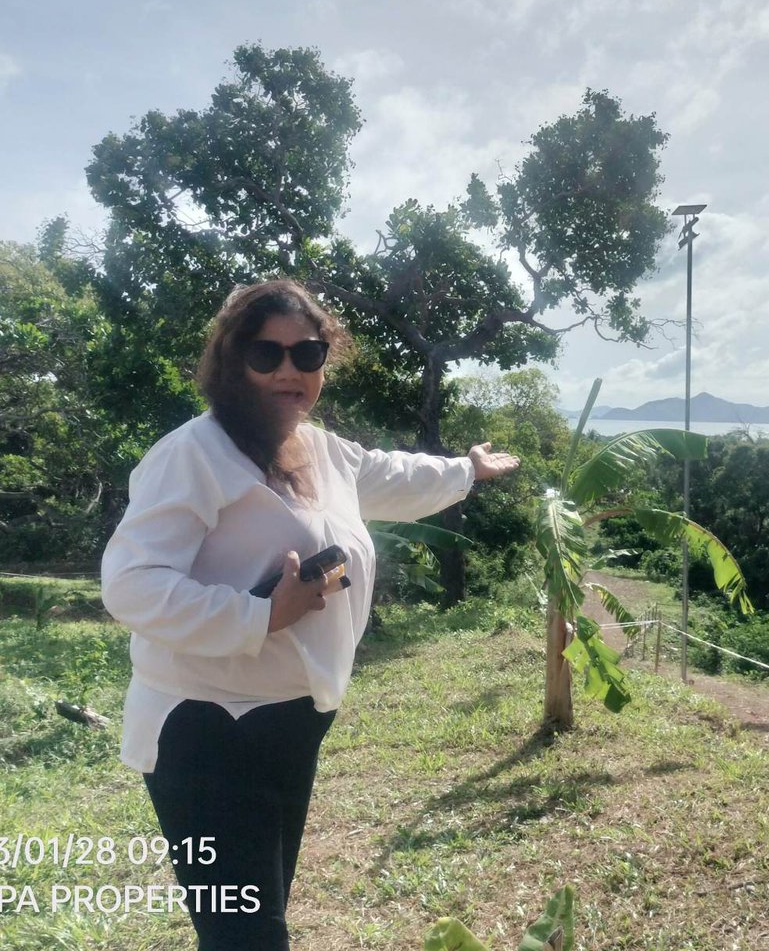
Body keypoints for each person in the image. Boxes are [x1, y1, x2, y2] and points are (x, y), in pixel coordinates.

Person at [101, 279, 519, 950]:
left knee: (257, 913)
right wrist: (258, 615)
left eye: (308, 353)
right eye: (267, 355)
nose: (290, 370)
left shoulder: (321, 449)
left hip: (291, 721)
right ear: (233, 363)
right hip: (205, 730)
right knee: (246, 935)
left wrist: (467, 471)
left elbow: (396, 477)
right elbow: (131, 586)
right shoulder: (194, 454)